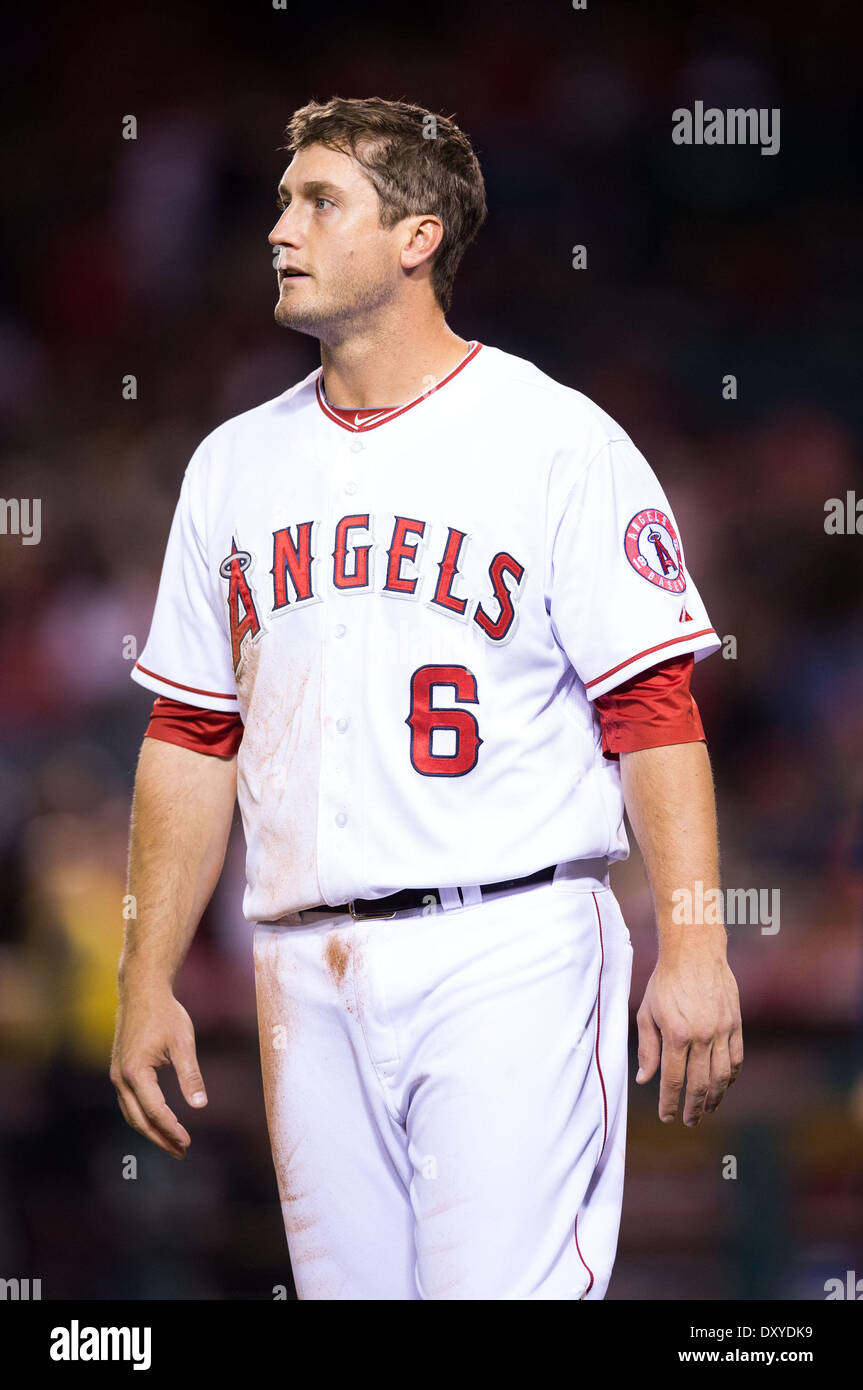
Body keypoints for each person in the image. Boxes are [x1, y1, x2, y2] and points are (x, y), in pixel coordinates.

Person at [110, 95, 743, 1301]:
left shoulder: (555, 439)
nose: (279, 229)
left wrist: (695, 945)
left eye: (318, 200)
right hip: (302, 960)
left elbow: (653, 707)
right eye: (284, 199)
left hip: (504, 945)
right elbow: (192, 733)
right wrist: (145, 978)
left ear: (414, 238)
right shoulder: (231, 463)